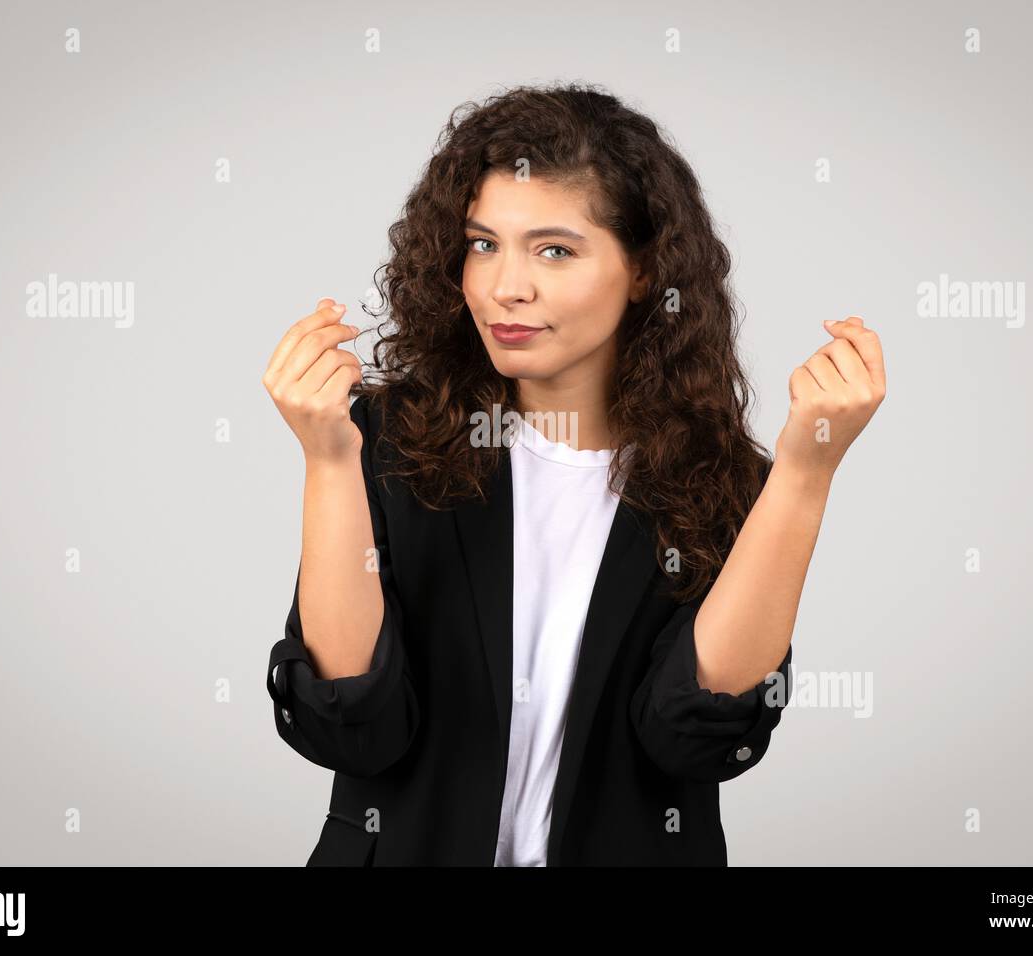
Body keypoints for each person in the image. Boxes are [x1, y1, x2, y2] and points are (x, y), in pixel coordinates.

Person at [262, 82, 887, 866]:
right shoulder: (383, 441)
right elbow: (350, 723)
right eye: (483, 244)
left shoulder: (726, 486)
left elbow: (693, 737)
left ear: (642, 272)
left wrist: (805, 475)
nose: (504, 287)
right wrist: (326, 460)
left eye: (554, 250)